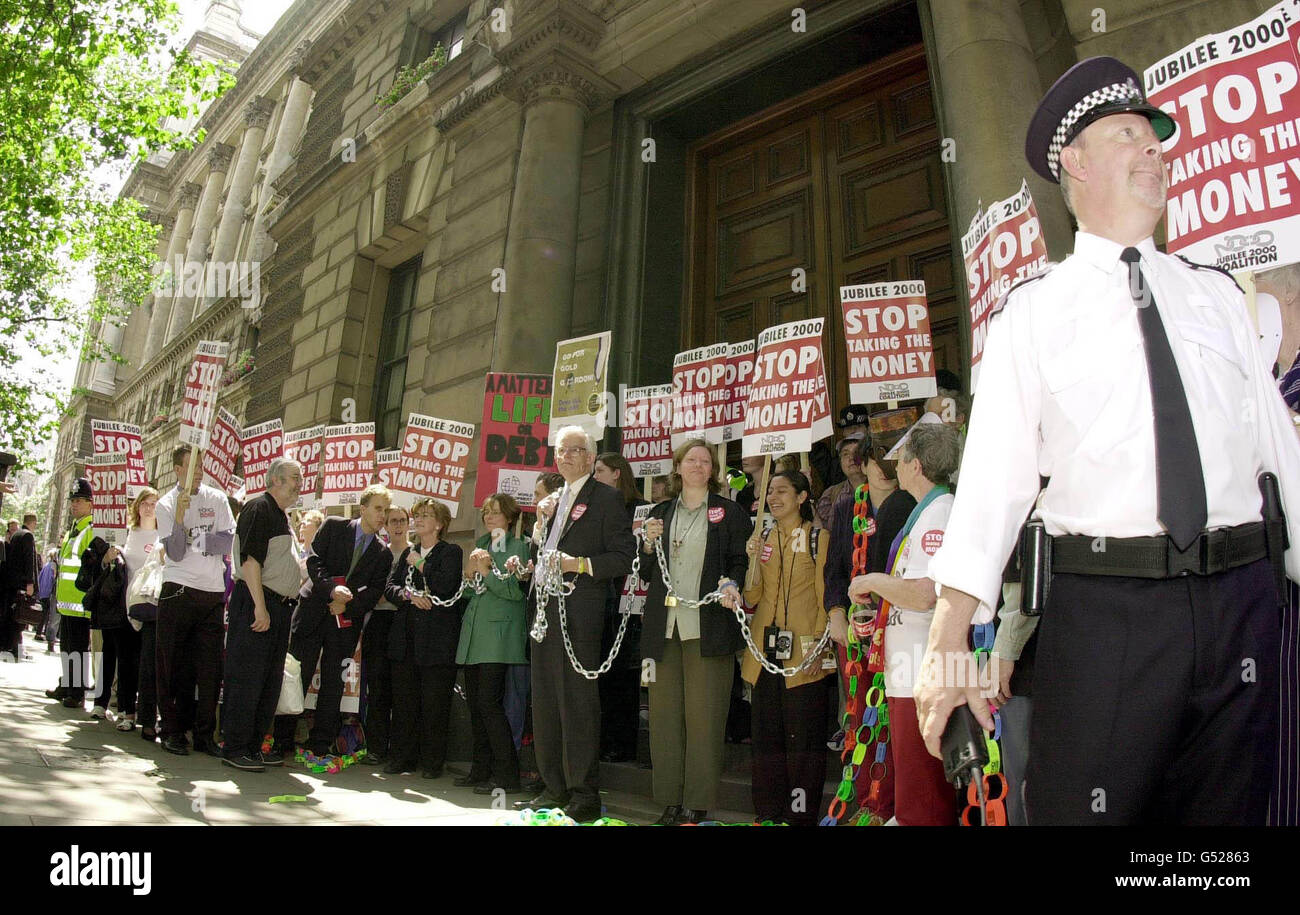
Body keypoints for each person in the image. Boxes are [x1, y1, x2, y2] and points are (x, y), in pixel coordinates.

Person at [916, 56, 1300, 826]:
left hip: (1243, 607)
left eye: (1156, 137)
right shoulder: (1031, 314)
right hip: (1108, 619)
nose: (1154, 147)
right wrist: (947, 646)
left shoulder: (1220, 296)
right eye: (1129, 134)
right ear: (1077, 164)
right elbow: (990, 491)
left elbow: (1281, 460)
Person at [516, 425, 635, 821]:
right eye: (561, 450)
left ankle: (583, 791)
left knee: (578, 703)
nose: (566, 456)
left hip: (580, 612)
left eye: (575, 450)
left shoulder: (606, 498)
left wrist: (579, 566)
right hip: (544, 610)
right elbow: (545, 553)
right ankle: (554, 786)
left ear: (589, 457)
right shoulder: (552, 500)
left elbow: (621, 557)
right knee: (546, 699)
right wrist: (535, 539)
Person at [849, 422, 961, 824]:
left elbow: (924, 593)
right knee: (914, 788)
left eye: (901, 457)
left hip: (921, 667)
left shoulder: (937, 515)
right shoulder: (926, 510)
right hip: (908, 666)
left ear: (915, 465)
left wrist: (871, 581)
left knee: (924, 793)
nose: (895, 464)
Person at [640, 438, 750, 825]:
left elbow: (740, 560)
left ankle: (696, 802)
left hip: (709, 629)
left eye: (706, 461)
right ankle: (670, 799)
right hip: (663, 629)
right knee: (665, 719)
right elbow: (644, 573)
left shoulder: (729, 512)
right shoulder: (659, 511)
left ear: (713, 470)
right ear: (678, 467)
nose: (698, 466)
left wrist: (732, 584)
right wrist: (648, 545)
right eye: (692, 460)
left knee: (704, 718)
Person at [823, 449, 914, 820]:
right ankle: (866, 804)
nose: (887, 469)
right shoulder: (846, 509)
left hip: (899, 630)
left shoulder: (912, 507)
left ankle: (895, 807)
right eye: (880, 461)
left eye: (896, 460)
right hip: (857, 634)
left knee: (896, 719)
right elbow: (834, 571)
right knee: (860, 718)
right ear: (865, 464)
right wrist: (836, 615)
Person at [273, 484, 393, 758]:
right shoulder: (334, 526)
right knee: (297, 676)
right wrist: (331, 591)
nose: (382, 515)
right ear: (362, 509)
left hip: (344, 624)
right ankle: (282, 739)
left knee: (333, 682)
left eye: (385, 510)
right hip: (313, 612)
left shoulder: (382, 553)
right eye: (378, 508)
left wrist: (346, 606)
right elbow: (315, 562)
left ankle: (320, 742)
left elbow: (375, 591)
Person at [741, 469, 833, 826]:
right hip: (764, 655)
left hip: (805, 654)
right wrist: (751, 557)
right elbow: (753, 595)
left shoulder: (818, 538)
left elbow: (828, 597)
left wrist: (821, 647)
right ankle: (767, 812)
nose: (774, 497)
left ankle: (800, 815)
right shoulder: (762, 536)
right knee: (766, 739)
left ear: (802, 497)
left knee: (803, 744)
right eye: (769, 492)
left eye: (782, 491)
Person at [222, 458, 304, 770]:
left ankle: (253, 746)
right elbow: (250, 562)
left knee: (268, 681)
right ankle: (236, 748)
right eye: (294, 478)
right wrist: (259, 606)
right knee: (248, 677)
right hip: (260, 604)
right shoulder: (259, 509)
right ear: (275, 480)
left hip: (277, 608)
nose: (299, 484)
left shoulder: (281, 516)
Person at [155, 445, 235, 756]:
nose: (199, 471)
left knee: (209, 668)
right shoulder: (166, 503)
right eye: (191, 467)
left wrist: (194, 538)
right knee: (173, 664)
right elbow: (174, 552)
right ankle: (172, 730)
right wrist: (179, 519)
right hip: (178, 589)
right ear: (177, 469)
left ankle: (204, 735)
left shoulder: (216, 498)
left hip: (212, 592)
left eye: (201, 465)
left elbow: (227, 540)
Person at [455, 494, 529, 793]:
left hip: (500, 639)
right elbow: (470, 594)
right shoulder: (482, 544)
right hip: (475, 636)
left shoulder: (519, 547)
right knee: (476, 707)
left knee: (489, 705)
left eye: (496, 513)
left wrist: (486, 571)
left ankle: (508, 775)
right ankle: (480, 769)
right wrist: (470, 577)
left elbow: (515, 593)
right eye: (486, 512)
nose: (490, 517)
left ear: (509, 518)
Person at [384, 498, 463, 777]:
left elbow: (445, 585)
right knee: (405, 703)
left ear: (439, 524)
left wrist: (420, 564)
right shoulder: (409, 551)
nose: (418, 520)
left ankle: (432, 762)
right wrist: (409, 595)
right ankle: (402, 757)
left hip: (436, 643)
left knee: (434, 704)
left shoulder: (450, 552)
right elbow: (391, 587)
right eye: (417, 515)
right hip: (407, 640)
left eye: (425, 516)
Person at [592, 451, 646, 764]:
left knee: (624, 676)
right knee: (604, 676)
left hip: (631, 600)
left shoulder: (638, 509)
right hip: (603, 599)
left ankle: (622, 743)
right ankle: (605, 740)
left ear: (616, 474)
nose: (595, 475)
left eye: (600, 470)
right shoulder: (597, 508)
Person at [359, 503, 409, 765]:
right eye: (393, 521)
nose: (398, 525)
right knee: (377, 689)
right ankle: (376, 747)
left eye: (402, 520)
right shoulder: (378, 552)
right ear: (386, 526)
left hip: (402, 623)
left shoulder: (415, 553)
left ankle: (399, 751)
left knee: (401, 690)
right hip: (377, 622)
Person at [45, 478, 96, 709]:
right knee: (66, 646)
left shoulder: (90, 528)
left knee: (77, 647)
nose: (74, 505)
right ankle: (66, 684)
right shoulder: (72, 530)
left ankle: (76, 692)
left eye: (79, 501)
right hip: (67, 600)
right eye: (73, 501)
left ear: (90, 504)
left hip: (80, 600)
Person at [123, 488, 161, 740]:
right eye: (144, 503)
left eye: (153, 503)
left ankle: (148, 714)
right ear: (137, 506)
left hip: (149, 605)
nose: (148, 508)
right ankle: (127, 712)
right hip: (127, 603)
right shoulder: (128, 533)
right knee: (127, 660)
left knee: (147, 662)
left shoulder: (162, 534)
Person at [1, 510, 37, 659]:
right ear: (33, 523)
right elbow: (29, 561)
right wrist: (30, 582)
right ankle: (15, 647)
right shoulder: (28, 536)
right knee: (20, 617)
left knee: (12, 615)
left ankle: (11, 645)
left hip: (11, 581)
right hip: (21, 582)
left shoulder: (16, 535)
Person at [815, 435, 867, 530]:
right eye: (845, 454)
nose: (851, 458)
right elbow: (822, 530)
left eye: (856, 452)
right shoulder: (831, 494)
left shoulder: (880, 488)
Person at [38, 548, 58, 653]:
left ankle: (41, 633)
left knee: (46, 615)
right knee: (50, 616)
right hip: (50, 592)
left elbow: (40, 578)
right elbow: (52, 579)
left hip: (43, 593)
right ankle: (47, 637)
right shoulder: (52, 567)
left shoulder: (46, 565)